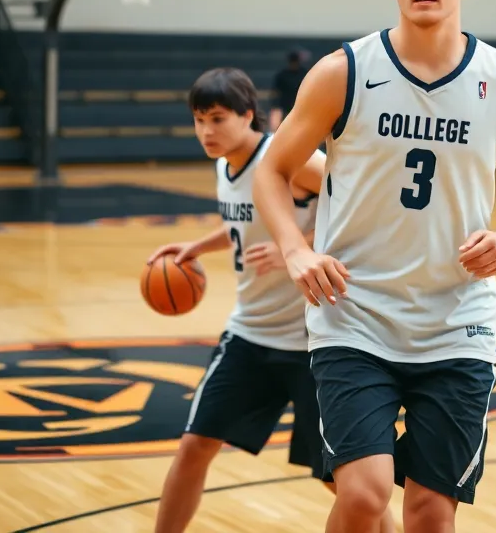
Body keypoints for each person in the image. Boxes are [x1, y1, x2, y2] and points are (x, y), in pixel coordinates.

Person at [252, 0, 496, 533]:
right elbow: (272, 171)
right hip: (354, 316)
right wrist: (296, 250)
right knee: (363, 495)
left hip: (457, 321)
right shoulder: (343, 73)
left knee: (429, 512)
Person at [147, 68, 395, 533]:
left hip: (314, 343)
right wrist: (198, 247)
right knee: (194, 445)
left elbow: (360, 207)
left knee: (345, 482)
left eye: (217, 118)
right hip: (250, 334)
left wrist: (296, 246)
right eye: (198, 119)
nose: (206, 130)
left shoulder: (288, 158)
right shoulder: (225, 167)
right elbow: (248, 223)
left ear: (248, 116)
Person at [269, 49, 308, 129]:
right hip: (286, 107)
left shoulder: (303, 74)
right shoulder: (283, 75)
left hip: (299, 107)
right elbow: (275, 92)